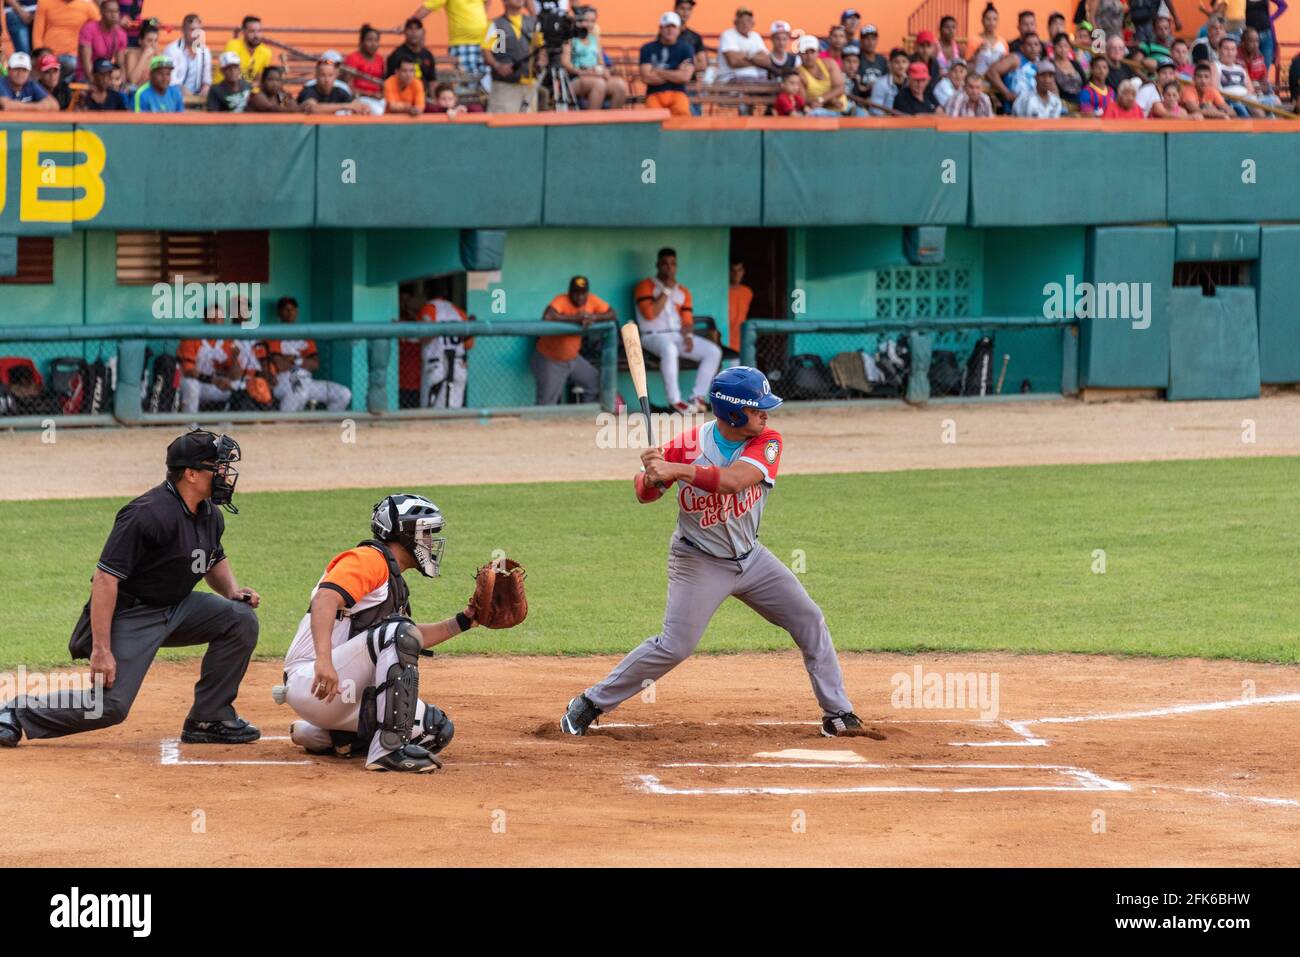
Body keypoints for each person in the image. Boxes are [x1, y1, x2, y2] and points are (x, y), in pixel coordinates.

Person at [557, 367, 869, 739]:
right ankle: (590, 703)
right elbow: (644, 494)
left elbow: (734, 481)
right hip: (698, 561)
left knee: (809, 619)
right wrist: (652, 477)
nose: (766, 414)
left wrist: (676, 469)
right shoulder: (687, 445)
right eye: (758, 408)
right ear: (735, 414)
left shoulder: (768, 440)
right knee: (675, 646)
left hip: (752, 559)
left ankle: (838, 713)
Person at [0, 431, 261, 749]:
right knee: (110, 706)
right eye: (216, 466)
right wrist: (101, 649)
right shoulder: (146, 514)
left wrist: (232, 591)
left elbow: (211, 558)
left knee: (240, 617)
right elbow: (105, 579)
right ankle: (16, 711)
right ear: (191, 474)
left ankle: (210, 717)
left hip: (178, 607)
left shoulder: (209, 514)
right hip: (133, 613)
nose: (224, 474)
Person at [281, 495, 515, 772]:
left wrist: (464, 621)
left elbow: (408, 638)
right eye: (426, 532)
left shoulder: (394, 581)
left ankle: (328, 736)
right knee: (399, 633)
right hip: (314, 681)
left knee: (435, 729)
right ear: (404, 533)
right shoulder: (369, 559)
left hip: (341, 695)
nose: (430, 541)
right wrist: (324, 661)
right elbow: (325, 599)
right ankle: (387, 750)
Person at [634, 247, 720, 414]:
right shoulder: (645, 286)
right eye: (665, 264)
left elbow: (687, 320)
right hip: (652, 336)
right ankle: (675, 401)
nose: (669, 268)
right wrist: (666, 290)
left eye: (673, 264)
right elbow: (650, 314)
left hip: (676, 335)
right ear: (657, 265)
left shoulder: (683, 291)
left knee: (713, 351)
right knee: (670, 349)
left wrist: (688, 335)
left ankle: (697, 397)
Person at [531, 276, 614, 405]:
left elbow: (612, 314)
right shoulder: (562, 300)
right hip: (551, 359)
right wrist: (576, 319)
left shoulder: (592, 300)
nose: (580, 297)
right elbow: (548, 316)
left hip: (573, 358)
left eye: (583, 293)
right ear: (570, 292)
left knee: (594, 382)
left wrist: (593, 317)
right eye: (576, 293)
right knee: (546, 403)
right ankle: (542, 425)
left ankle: (585, 416)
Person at [265, 297, 353, 413]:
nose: (290, 312)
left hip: (308, 381)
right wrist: (304, 361)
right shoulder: (273, 334)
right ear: (279, 312)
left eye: (293, 309)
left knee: (344, 394)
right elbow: (280, 365)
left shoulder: (305, 335)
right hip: (284, 381)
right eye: (286, 309)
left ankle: (323, 425)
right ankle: (283, 426)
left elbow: (315, 364)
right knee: (298, 392)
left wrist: (295, 360)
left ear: (297, 311)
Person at [414, 295, 474, 408]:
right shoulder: (459, 312)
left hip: (436, 365)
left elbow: (425, 336)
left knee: (431, 413)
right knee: (454, 410)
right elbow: (469, 344)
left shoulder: (429, 308)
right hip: (458, 366)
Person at [563, 6, 627, 109]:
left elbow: (601, 62)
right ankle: (593, 123)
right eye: (586, 21)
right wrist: (583, 72)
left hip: (595, 75)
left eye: (592, 21)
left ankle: (612, 122)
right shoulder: (570, 39)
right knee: (599, 84)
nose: (589, 24)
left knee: (620, 85)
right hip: (576, 77)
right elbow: (566, 63)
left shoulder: (594, 39)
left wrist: (604, 70)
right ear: (578, 21)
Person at [410, 0, 491, 80]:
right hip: (462, 45)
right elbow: (429, 6)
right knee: (465, 85)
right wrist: (409, 24)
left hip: (483, 44)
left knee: (483, 85)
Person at [484, 0, 539, 113]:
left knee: (530, 125)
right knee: (503, 124)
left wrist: (541, 62)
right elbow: (486, 50)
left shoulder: (533, 23)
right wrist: (497, 65)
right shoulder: (496, 24)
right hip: (505, 85)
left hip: (529, 84)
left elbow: (541, 46)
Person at [639, 11, 694, 116]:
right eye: (666, 26)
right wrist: (676, 73)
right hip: (654, 94)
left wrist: (658, 71)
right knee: (652, 120)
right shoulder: (647, 48)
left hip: (678, 93)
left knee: (682, 114)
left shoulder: (686, 49)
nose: (670, 30)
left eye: (673, 27)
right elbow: (646, 78)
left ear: (679, 30)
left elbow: (685, 77)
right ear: (660, 28)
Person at [32, 0, 100, 75]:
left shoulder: (87, 4)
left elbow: (102, 28)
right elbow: (37, 33)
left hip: (74, 56)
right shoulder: (44, 2)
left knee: (73, 65)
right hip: (49, 54)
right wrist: (40, 55)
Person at [388, 16, 438, 100]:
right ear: (405, 32)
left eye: (417, 29)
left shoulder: (428, 55)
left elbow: (432, 81)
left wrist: (434, 100)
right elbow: (391, 81)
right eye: (410, 29)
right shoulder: (396, 55)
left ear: (422, 32)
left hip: (425, 97)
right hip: (403, 98)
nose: (414, 32)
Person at [717, 6, 769, 85]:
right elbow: (733, 62)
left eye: (748, 20)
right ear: (735, 22)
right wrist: (756, 60)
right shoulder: (728, 34)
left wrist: (745, 57)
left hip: (757, 79)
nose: (745, 23)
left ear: (753, 23)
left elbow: (766, 61)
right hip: (731, 78)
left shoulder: (756, 36)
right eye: (742, 20)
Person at [216, 14, 273, 86]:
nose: (256, 35)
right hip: (225, 88)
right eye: (252, 31)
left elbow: (260, 79)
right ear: (243, 31)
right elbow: (231, 76)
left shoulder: (266, 52)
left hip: (248, 90)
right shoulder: (233, 45)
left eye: (259, 31)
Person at [163, 12, 209, 100]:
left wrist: (206, 87)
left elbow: (207, 80)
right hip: (175, 95)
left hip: (197, 96)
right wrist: (183, 90)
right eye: (192, 30)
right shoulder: (172, 49)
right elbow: (170, 80)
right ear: (183, 30)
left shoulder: (205, 51)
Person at [797, 32, 846, 115]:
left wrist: (822, 99)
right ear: (799, 54)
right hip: (820, 110)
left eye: (812, 52)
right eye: (805, 52)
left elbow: (840, 88)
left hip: (843, 106)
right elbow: (803, 100)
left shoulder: (829, 63)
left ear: (818, 52)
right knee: (815, 114)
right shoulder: (798, 73)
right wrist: (829, 101)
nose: (809, 56)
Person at [75, 0, 124, 81]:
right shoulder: (88, 29)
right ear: (101, 11)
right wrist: (95, 83)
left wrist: (122, 83)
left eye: (116, 11)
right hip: (86, 77)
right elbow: (86, 62)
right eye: (110, 11)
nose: (114, 15)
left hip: (106, 76)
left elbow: (120, 65)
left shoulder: (120, 34)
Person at [298, 56, 366, 114]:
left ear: (335, 77)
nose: (327, 79)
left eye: (330, 75)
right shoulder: (309, 91)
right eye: (323, 75)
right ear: (316, 76)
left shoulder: (339, 91)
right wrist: (346, 106)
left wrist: (363, 108)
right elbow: (313, 108)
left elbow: (356, 105)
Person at [344, 24, 387, 113]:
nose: (373, 44)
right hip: (360, 97)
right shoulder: (352, 58)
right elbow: (349, 87)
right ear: (362, 42)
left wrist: (381, 94)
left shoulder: (380, 59)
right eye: (369, 40)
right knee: (378, 111)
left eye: (376, 40)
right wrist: (370, 94)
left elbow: (383, 83)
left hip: (378, 98)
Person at [970, 2, 1007, 76]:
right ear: (982, 20)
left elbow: (1005, 63)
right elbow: (968, 63)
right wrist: (977, 52)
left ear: (997, 22)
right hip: (979, 76)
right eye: (988, 19)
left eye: (994, 19)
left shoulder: (1002, 41)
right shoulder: (974, 39)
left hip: (998, 76)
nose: (991, 22)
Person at [121, 14, 158, 88]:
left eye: (156, 40)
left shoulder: (157, 56)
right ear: (140, 41)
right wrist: (144, 56)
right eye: (149, 40)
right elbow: (132, 81)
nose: (153, 45)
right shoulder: (131, 54)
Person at [869, 46, 908, 113]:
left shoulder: (911, 83)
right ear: (889, 64)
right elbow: (875, 110)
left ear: (908, 64)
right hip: (886, 121)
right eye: (896, 62)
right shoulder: (880, 84)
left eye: (904, 62)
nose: (901, 65)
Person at [728, 260, 752, 350]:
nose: (736, 274)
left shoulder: (748, 292)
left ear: (743, 272)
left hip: (742, 342)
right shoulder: (723, 291)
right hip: (726, 342)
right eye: (732, 271)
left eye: (739, 270)